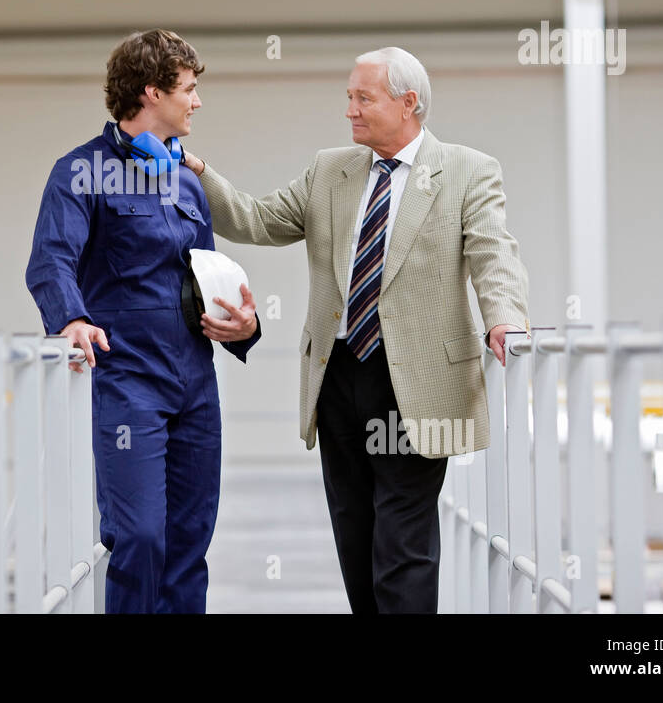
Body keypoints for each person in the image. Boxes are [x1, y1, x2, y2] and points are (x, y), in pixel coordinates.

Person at [180, 46, 529, 613]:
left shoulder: (468, 170)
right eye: (349, 97)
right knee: (354, 527)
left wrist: (505, 317)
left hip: (416, 379)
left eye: (362, 98)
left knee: (404, 535)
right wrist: (198, 171)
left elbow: (494, 253)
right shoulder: (330, 171)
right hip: (339, 374)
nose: (350, 110)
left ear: (407, 103)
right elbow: (258, 220)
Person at [25, 28, 262, 614]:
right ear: (152, 93)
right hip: (127, 379)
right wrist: (70, 318)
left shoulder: (187, 179)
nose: (198, 101)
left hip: (194, 383)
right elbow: (50, 259)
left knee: (189, 541)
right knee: (139, 538)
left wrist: (245, 328)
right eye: (189, 89)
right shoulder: (79, 172)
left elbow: (207, 276)